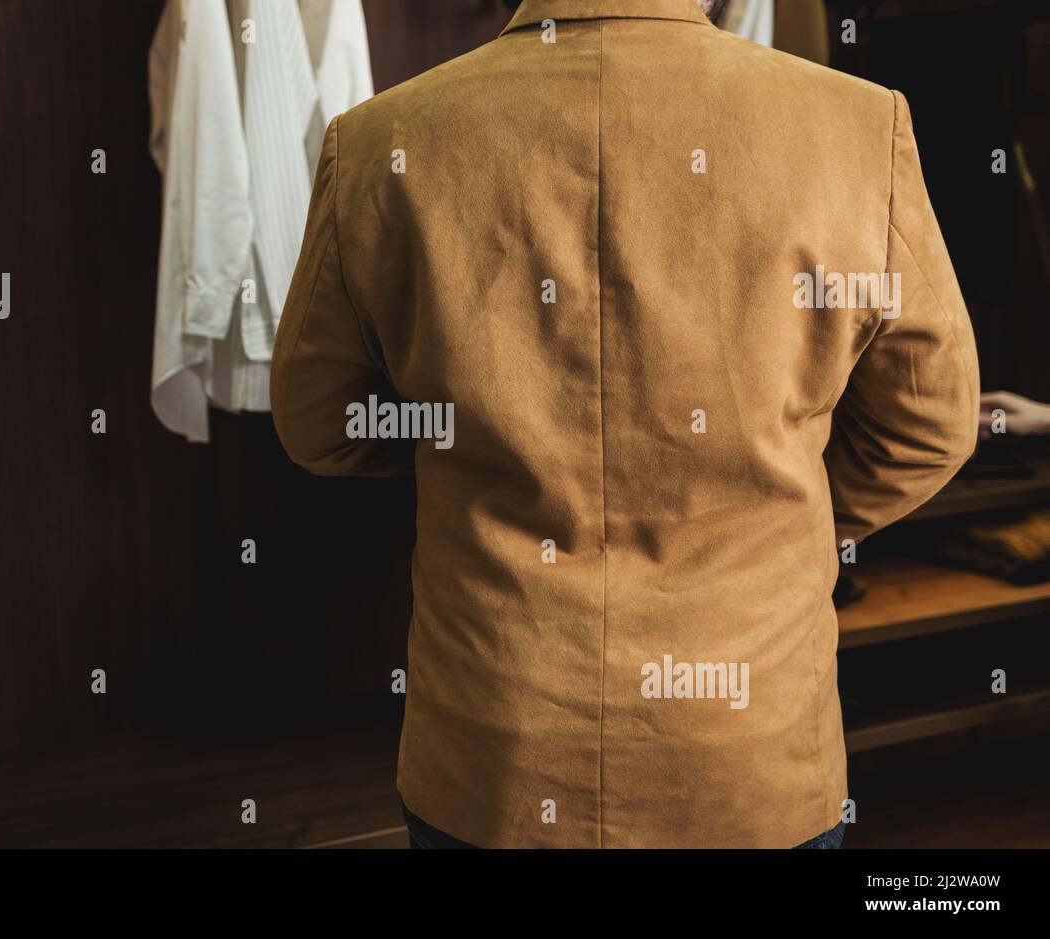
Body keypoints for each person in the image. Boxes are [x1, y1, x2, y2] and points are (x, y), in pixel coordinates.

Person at [271, 0, 979, 847]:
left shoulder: (384, 140)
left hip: (494, 752)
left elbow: (319, 421)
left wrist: (462, 447)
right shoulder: (858, 128)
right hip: (749, 753)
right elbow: (929, 424)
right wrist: (784, 515)